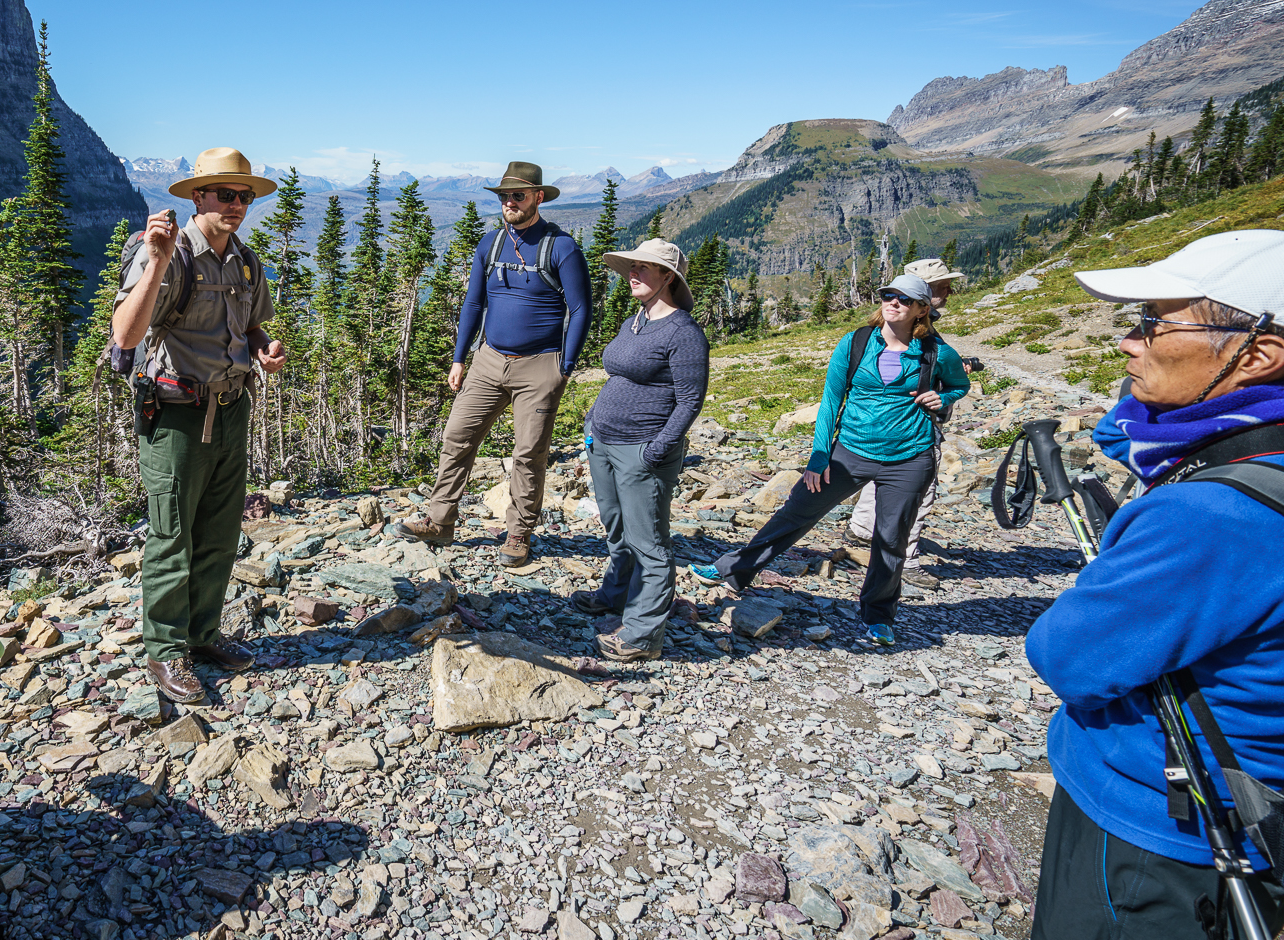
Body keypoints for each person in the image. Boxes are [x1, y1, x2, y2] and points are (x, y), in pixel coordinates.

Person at [1023, 230, 1284, 940]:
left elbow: (1068, 655)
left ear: (1260, 354)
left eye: (1154, 321)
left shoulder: (1212, 513)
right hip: (1265, 802)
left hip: (1156, 825)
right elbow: (1120, 438)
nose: (1128, 341)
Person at [692, 273, 969, 646]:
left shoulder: (938, 352)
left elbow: (958, 385)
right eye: (889, 295)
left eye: (904, 299)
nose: (894, 303)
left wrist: (945, 399)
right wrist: (818, 458)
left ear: (922, 309)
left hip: (910, 458)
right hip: (849, 452)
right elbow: (830, 402)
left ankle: (878, 616)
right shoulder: (856, 343)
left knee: (891, 540)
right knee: (797, 511)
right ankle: (733, 569)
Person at [111, 148, 285, 705]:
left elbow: (252, 324)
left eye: (245, 196)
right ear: (197, 196)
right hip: (177, 417)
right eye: (225, 194)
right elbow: (127, 335)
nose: (237, 205)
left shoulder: (244, 260)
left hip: (233, 408)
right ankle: (165, 651)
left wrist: (264, 349)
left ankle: (202, 636)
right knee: (171, 537)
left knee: (219, 532)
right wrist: (157, 261)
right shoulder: (168, 254)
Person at [397, 161, 593, 570]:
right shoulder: (490, 244)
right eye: (504, 196)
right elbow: (473, 303)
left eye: (517, 196)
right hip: (488, 360)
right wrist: (459, 357)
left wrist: (565, 367)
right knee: (457, 437)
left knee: (528, 452)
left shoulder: (561, 248)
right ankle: (439, 521)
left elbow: (580, 308)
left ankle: (519, 533)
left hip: (540, 364)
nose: (509, 203)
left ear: (539, 197)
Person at [566, 239, 708, 661]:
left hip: (642, 448)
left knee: (648, 541)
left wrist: (657, 450)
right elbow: (619, 377)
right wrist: (591, 423)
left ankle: (644, 635)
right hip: (605, 441)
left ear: (669, 276)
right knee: (616, 529)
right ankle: (616, 596)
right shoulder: (638, 320)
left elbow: (689, 401)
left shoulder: (683, 332)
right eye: (631, 266)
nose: (633, 273)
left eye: (644, 268)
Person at [846, 256, 967, 580]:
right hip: (914, 426)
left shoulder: (895, 328)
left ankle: (860, 529)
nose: (949, 292)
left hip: (881, 427)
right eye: (943, 287)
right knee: (920, 490)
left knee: (881, 470)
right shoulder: (915, 327)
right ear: (924, 292)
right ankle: (908, 562)